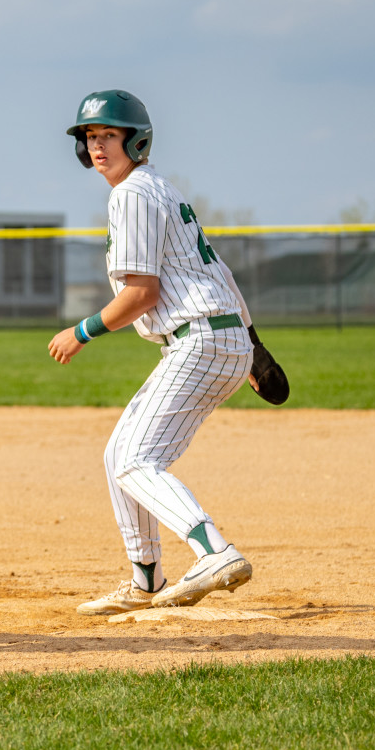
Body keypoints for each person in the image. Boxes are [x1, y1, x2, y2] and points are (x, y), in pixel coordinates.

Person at [48, 89, 256, 614]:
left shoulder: (133, 194)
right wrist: (255, 345)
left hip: (200, 338)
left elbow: (142, 293)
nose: (97, 146)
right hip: (217, 336)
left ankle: (214, 551)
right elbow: (219, 272)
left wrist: (82, 331)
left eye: (108, 135)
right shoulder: (159, 190)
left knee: (136, 459)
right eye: (90, 137)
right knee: (121, 454)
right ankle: (147, 581)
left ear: (135, 141)